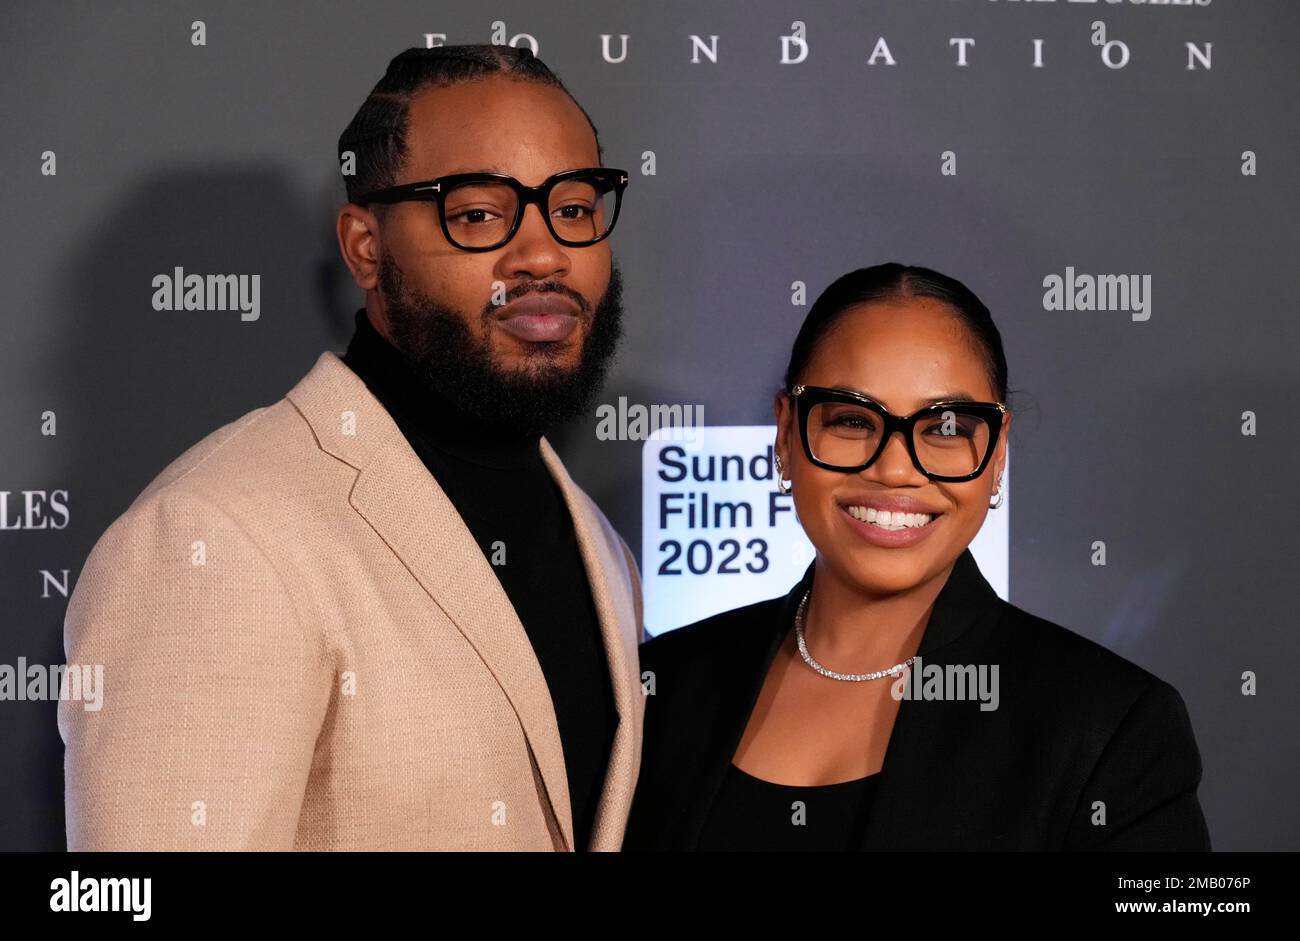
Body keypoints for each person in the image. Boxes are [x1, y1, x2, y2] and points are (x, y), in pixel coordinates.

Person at [59, 45, 644, 851]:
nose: (543, 254)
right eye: (478, 213)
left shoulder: (595, 539)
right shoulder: (213, 535)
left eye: (574, 209)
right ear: (365, 246)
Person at [624, 263, 1211, 851]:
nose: (896, 469)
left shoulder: (1105, 726)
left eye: (945, 427)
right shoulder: (655, 689)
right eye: (853, 420)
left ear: (998, 449)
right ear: (785, 432)